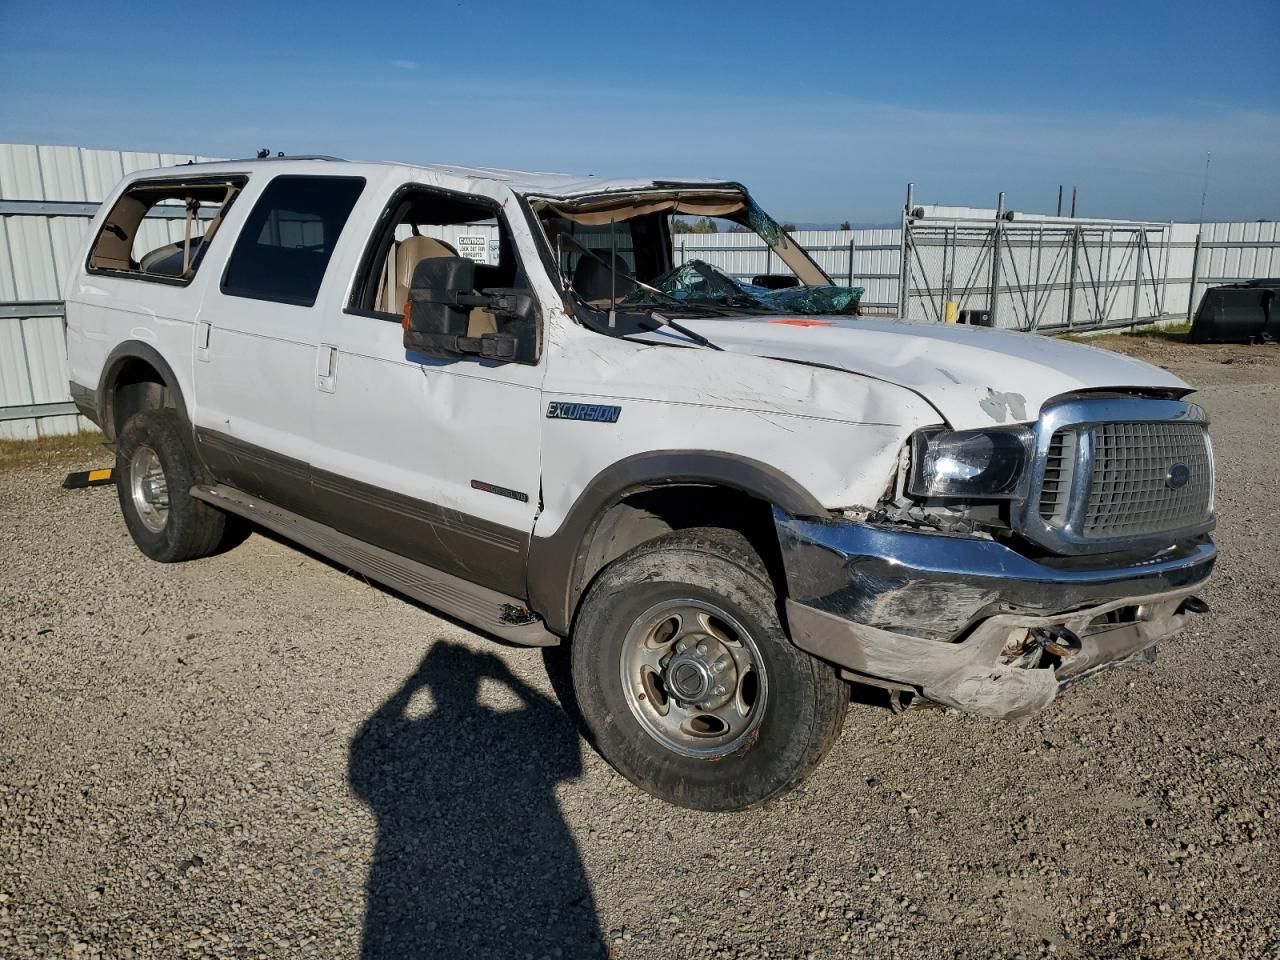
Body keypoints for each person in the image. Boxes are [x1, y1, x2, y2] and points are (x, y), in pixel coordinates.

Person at [349, 642, 604, 959]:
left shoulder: (416, 733)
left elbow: (365, 748)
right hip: (534, 872)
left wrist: (412, 684)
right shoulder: (506, 725)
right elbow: (561, 732)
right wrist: (510, 680)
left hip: (412, 883)